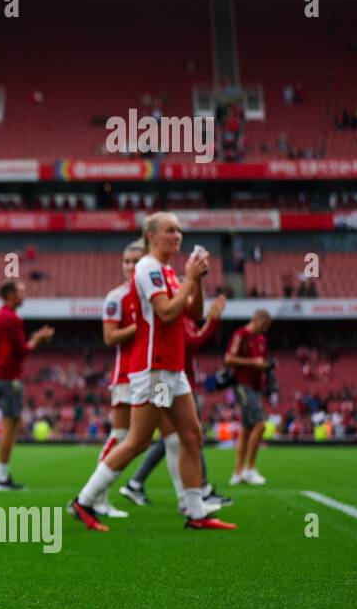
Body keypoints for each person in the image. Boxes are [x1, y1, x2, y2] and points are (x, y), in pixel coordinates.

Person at [68, 212, 236, 531]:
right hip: (155, 368)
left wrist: (195, 281)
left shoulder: (169, 272)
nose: (178, 235)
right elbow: (166, 312)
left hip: (172, 369)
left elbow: (193, 314)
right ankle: (84, 501)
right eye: (170, 230)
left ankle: (196, 513)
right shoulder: (148, 268)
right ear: (152, 237)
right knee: (138, 440)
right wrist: (189, 279)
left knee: (191, 435)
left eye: (179, 230)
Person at [120, 294, 231, 509]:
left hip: (174, 382)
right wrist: (213, 321)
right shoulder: (173, 317)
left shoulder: (182, 317)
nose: (191, 300)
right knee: (177, 435)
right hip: (169, 382)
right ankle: (199, 491)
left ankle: (140, 484)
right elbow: (195, 342)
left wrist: (210, 321)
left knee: (175, 436)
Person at [90, 239, 146, 518]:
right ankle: (96, 496)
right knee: (122, 436)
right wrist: (144, 326)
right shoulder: (117, 297)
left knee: (177, 435)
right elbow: (110, 337)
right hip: (127, 377)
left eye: (136, 261)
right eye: (127, 261)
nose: (131, 267)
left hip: (155, 376)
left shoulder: (153, 295)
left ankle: (193, 500)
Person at [0, 280, 55, 490]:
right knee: (10, 426)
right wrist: (38, 339)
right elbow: (22, 350)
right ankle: (1, 476)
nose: (24, 296)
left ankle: (1, 473)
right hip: (8, 377)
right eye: (21, 293)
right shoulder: (12, 318)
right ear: (9, 295)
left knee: (11, 424)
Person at [227, 309, 273, 485]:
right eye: (263, 325)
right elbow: (229, 358)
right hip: (242, 385)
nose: (264, 329)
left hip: (254, 386)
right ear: (256, 320)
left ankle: (238, 473)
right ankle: (250, 469)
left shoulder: (261, 339)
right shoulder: (240, 335)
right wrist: (253, 363)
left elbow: (261, 362)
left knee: (246, 429)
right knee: (260, 425)